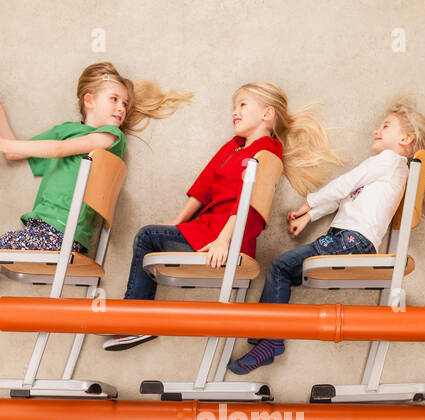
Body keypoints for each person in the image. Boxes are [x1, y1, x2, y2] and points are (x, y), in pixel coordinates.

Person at [0, 63, 190, 373]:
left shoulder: (111, 137)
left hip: (59, 237)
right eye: (114, 99)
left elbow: (58, 149)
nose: (121, 108)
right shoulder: (66, 129)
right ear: (89, 99)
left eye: (125, 103)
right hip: (44, 233)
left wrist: (1, 143)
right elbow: (17, 153)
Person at [228, 99, 425, 374]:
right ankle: (266, 335)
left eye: (386, 126)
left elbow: (344, 184)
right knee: (284, 272)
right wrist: (310, 217)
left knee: (279, 266)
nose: (376, 130)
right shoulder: (391, 169)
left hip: (348, 241)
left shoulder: (390, 161)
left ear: (405, 138)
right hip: (351, 242)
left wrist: (308, 204)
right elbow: (345, 195)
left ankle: (270, 339)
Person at [102, 81, 341, 352]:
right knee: (152, 234)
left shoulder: (267, 150)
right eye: (233, 107)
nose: (234, 112)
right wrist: (178, 220)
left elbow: (247, 200)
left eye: (242, 105)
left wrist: (225, 240)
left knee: (147, 236)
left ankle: (135, 321)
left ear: (267, 114)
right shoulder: (234, 146)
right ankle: (134, 319)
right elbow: (203, 185)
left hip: (225, 236)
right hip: (208, 229)